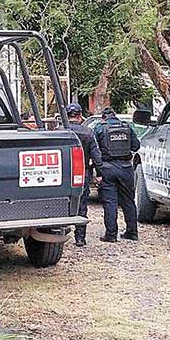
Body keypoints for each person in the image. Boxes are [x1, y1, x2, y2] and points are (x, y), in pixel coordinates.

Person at [93, 107, 140, 242]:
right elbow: (136, 146)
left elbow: (95, 150)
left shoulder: (100, 128)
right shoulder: (126, 126)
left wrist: (98, 170)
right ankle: (132, 232)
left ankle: (111, 235)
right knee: (129, 201)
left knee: (110, 202)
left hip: (107, 168)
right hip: (126, 168)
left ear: (103, 117)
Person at [66, 103, 103, 247]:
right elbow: (96, 156)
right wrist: (99, 173)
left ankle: (59, 233)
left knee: (61, 203)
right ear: (80, 115)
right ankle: (80, 238)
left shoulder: (60, 131)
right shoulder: (88, 132)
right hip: (82, 173)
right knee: (82, 204)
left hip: (62, 174)